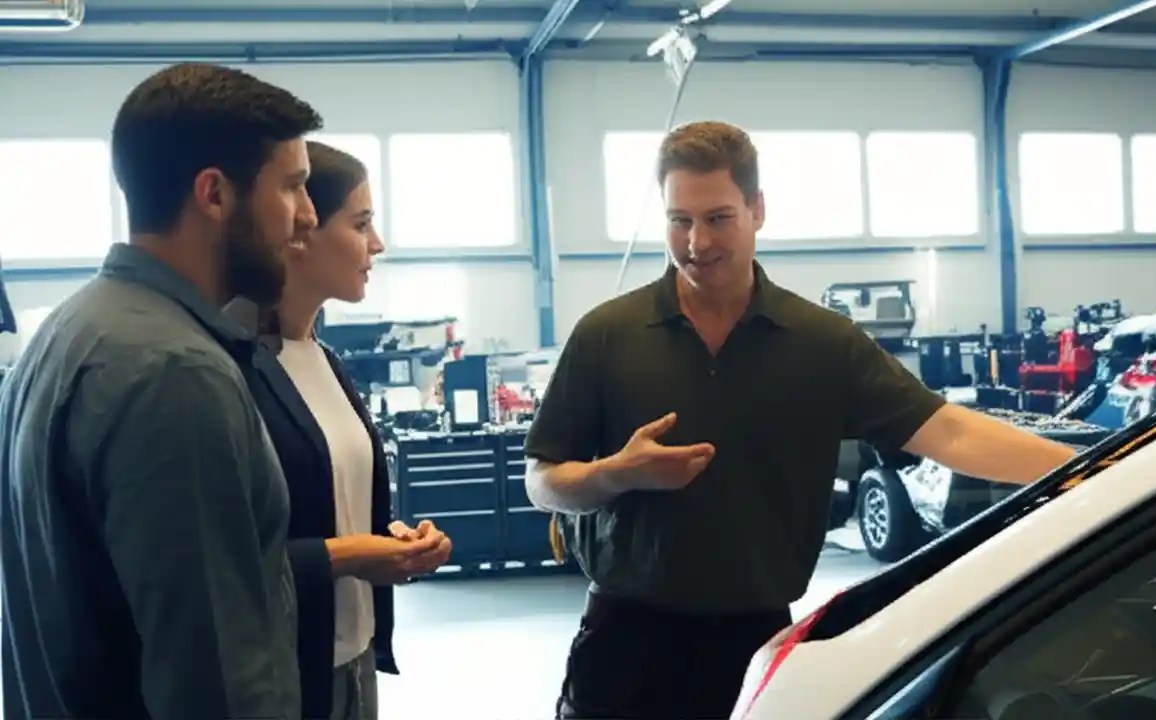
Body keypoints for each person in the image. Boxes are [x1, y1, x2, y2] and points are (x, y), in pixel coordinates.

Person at [524, 120, 1079, 720]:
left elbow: (948, 429)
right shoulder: (607, 335)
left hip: (755, 648)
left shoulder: (821, 343)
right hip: (624, 645)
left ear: (757, 209)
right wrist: (616, 474)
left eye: (718, 218)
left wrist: (1091, 470)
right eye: (678, 220)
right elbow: (542, 481)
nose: (696, 242)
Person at [0, 62, 322, 720]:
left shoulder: (66, 335)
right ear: (214, 195)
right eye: (292, 187)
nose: (307, 218)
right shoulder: (175, 374)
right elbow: (218, 681)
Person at [236, 140, 453, 720]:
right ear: (302, 229)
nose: (376, 245)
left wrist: (392, 541)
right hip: (288, 672)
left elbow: (334, 503)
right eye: (361, 224)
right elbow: (225, 561)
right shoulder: (233, 372)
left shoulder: (325, 360)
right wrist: (350, 554)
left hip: (353, 659)